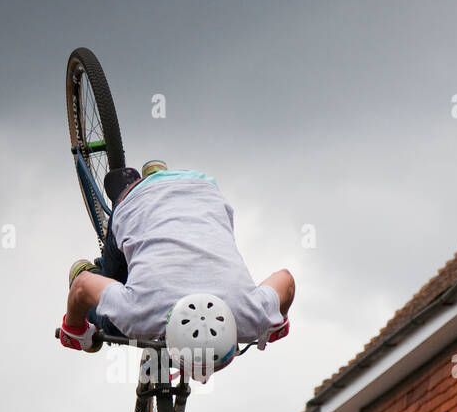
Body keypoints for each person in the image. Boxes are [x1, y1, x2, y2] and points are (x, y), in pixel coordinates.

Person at [59, 161, 294, 376]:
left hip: (199, 189)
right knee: (114, 325)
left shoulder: (252, 316)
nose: (202, 381)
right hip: (135, 201)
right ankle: (91, 265)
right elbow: (82, 287)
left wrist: (277, 320)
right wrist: (76, 328)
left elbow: (286, 280)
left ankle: (157, 175)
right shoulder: (138, 315)